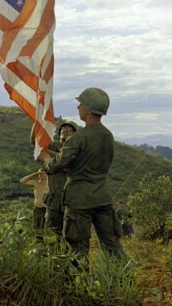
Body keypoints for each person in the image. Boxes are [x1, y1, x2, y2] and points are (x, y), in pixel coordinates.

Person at [38, 88, 125, 261]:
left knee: (78, 249)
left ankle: (81, 285)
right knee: (112, 246)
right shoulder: (108, 136)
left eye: (81, 104)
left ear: (89, 108)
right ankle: (125, 281)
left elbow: (59, 164)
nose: (78, 107)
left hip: (79, 201)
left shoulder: (78, 138)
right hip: (103, 198)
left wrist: (45, 161)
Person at [42, 121, 78, 239]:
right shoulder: (52, 145)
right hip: (53, 200)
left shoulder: (79, 149)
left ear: (75, 134)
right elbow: (36, 143)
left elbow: (67, 164)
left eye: (69, 128)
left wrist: (50, 153)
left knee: (72, 236)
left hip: (71, 200)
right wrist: (37, 122)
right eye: (63, 127)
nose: (65, 129)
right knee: (52, 236)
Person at [20, 168, 47, 240]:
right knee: (38, 228)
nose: (41, 175)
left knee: (48, 227)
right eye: (40, 174)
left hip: (48, 209)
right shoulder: (36, 183)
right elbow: (22, 181)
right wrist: (36, 173)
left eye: (43, 173)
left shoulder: (50, 183)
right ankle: (39, 244)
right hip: (38, 208)